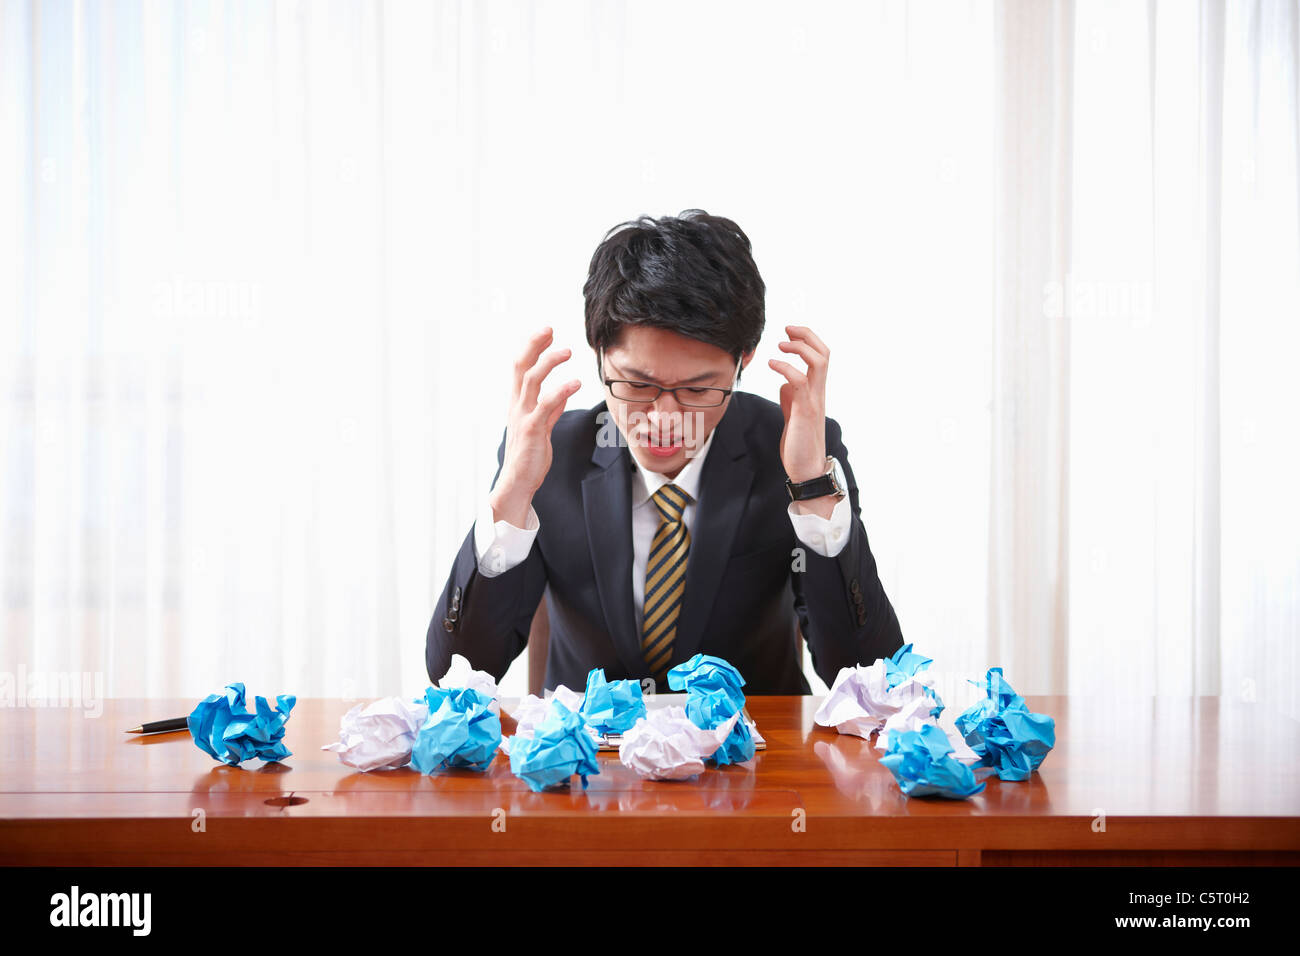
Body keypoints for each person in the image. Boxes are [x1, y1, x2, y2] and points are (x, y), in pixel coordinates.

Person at [426, 209, 903, 694]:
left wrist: (810, 487)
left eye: (698, 390)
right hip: (586, 759)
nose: (664, 419)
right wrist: (512, 497)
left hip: (750, 760)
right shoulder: (552, 454)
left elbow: (868, 678)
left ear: (744, 361)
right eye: (637, 383)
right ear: (598, 351)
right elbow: (458, 675)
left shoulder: (789, 448)